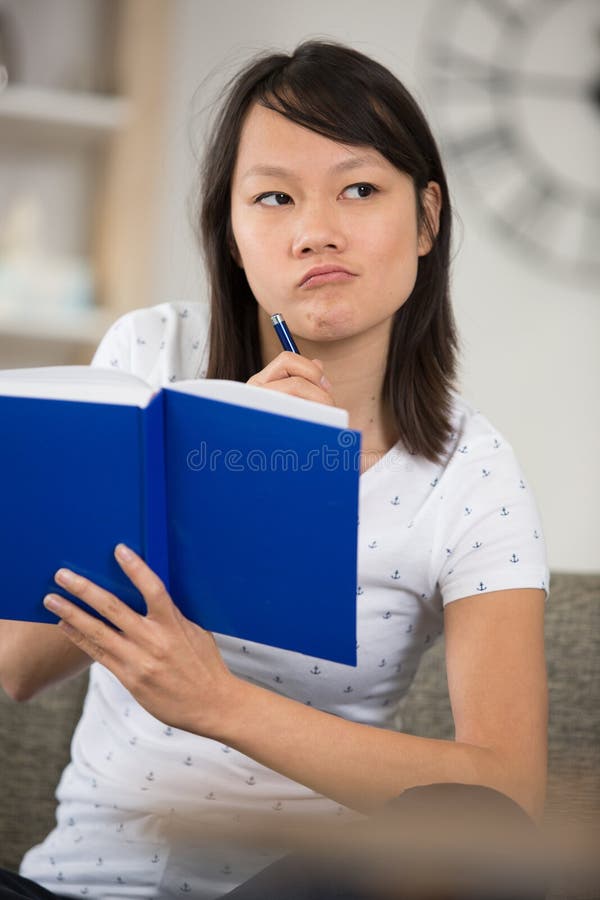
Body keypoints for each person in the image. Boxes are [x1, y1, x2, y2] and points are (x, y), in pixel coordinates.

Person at [0, 40, 548, 899]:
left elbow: (507, 797)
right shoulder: (151, 355)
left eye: (358, 189)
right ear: (232, 232)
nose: (314, 230)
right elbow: (18, 666)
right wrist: (203, 479)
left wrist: (219, 703)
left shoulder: (471, 475)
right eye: (273, 197)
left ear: (427, 218)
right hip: (78, 885)